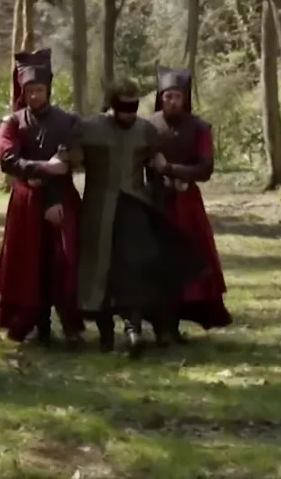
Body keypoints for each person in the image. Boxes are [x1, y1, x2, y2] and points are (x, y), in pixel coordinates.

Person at [73, 78, 206, 358]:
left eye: (134, 107)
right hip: (98, 209)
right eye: (124, 107)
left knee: (136, 265)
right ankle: (106, 334)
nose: (129, 114)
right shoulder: (88, 128)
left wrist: (162, 195)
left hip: (133, 205)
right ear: (111, 105)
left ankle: (133, 328)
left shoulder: (145, 130)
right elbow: (70, 160)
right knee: (100, 269)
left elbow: (156, 168)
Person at [0, 49, 85, 348]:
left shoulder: (68, 121)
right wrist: (43, 168)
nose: (34, 95)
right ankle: (34, 324)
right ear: (23, 90)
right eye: (29, 90)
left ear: (48, 90)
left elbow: (72, 157)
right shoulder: (12, 122)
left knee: (64, 263)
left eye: (39, 90)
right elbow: (8, 160)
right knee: (29, 264)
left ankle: (71, 326)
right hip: (26, 203)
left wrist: (54, 199)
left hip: (62, 200)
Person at [147, 68, 232, 344]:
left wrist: (172, 170)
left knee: (189, 260)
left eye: (177, 96)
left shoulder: (199, 128)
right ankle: (163, 325)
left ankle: (183, 318)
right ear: (160, 97)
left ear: (185, 98)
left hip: (185, 205)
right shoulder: (148, 126)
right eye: (168, 96)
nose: (172, 101)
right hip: (155, 202)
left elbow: (205, 168)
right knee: (157, 263)